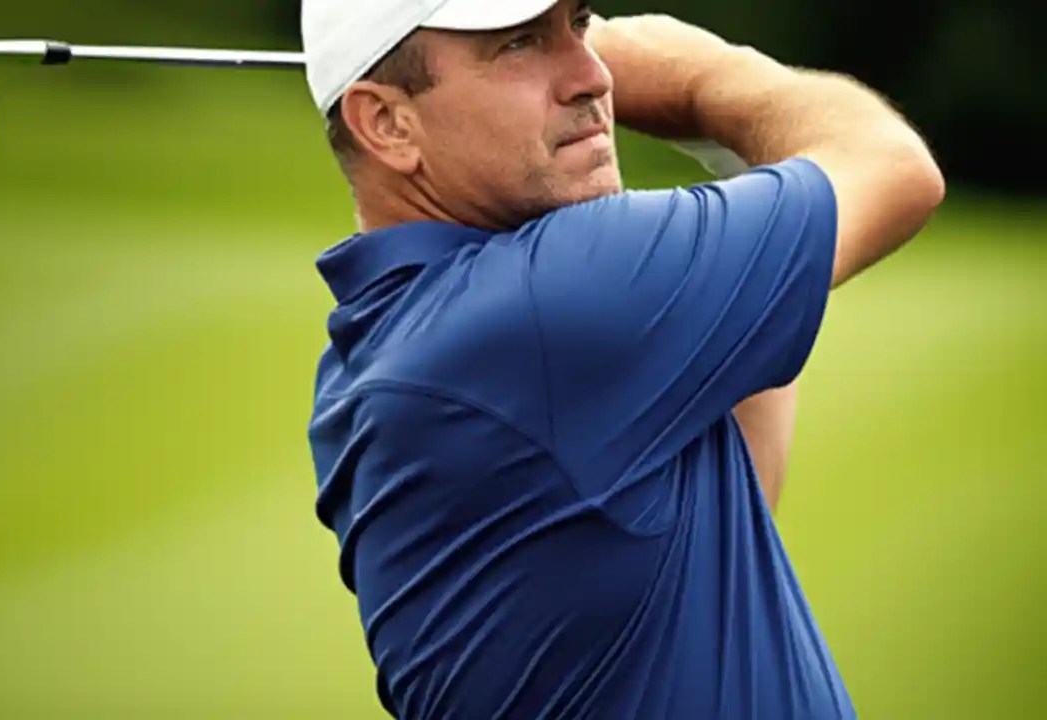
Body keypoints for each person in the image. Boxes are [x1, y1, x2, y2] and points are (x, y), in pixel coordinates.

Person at [302, 0, 945, 717]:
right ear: (387, 123)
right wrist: (695, 77)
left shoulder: (384, 343)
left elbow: (739, 486)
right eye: (518, 44)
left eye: (577, 26)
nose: (593, 75)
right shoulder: (546, 305)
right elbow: (892, 168)